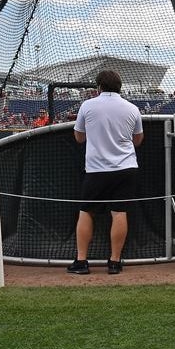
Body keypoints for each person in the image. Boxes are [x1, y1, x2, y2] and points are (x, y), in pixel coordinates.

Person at [68, 70, 143, 275]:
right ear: (119, 86)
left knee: (86, 212)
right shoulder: (132, 108)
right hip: (126, 167)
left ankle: (82, 261)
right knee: (119, 212)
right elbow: (138, 140)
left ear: (99, 87)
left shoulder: (88, 105)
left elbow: (79, 138)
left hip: (97, 169)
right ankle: (115, 262)